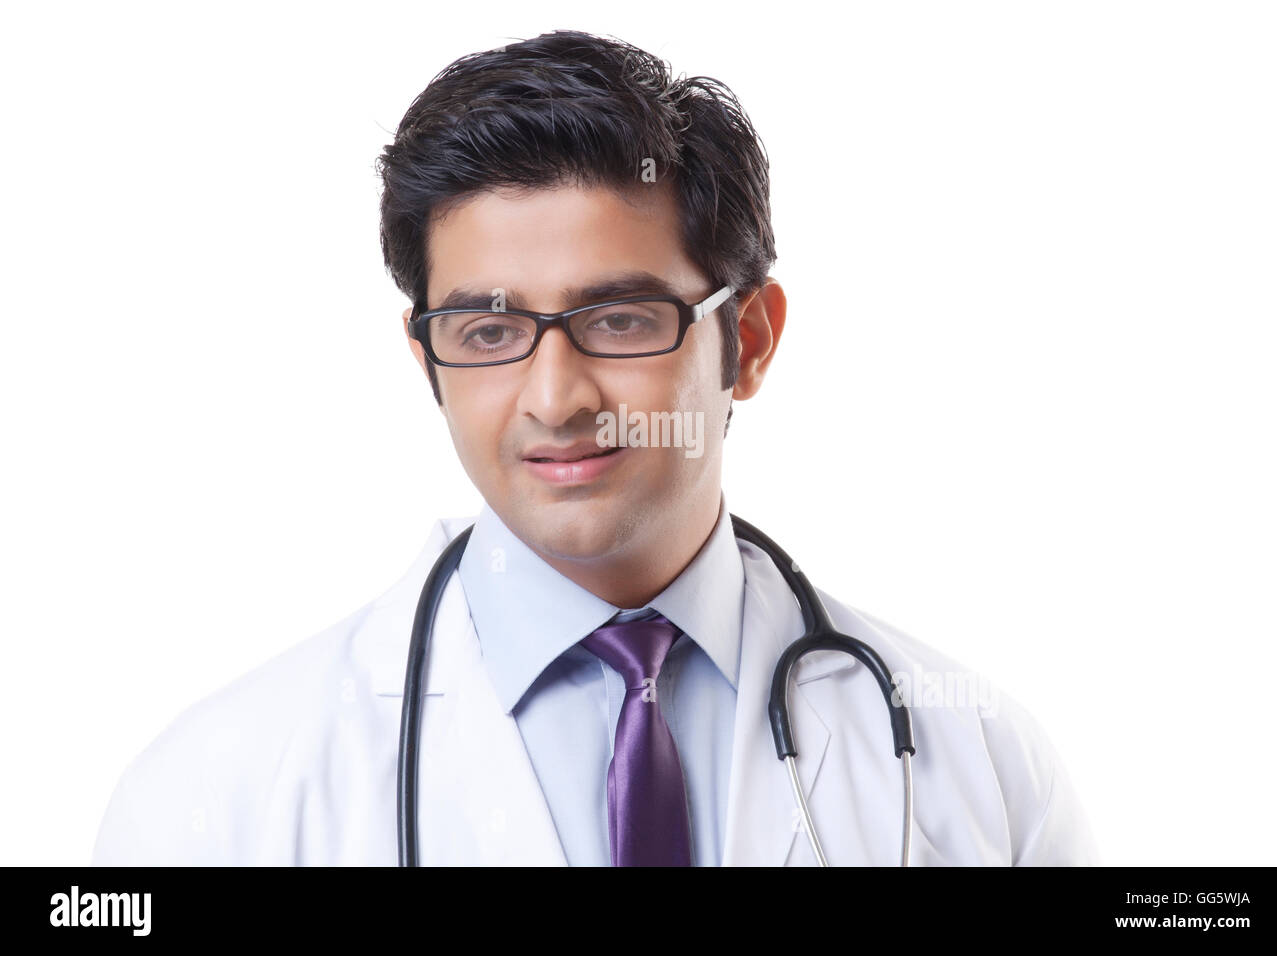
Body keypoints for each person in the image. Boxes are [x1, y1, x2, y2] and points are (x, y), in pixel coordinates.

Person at [92, 29, 1100, 867]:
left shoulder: (974, 765)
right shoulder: (214, 798)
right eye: (487, 331)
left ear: (744, 340)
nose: (555, 397)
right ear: (427, 358)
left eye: (618, 319)